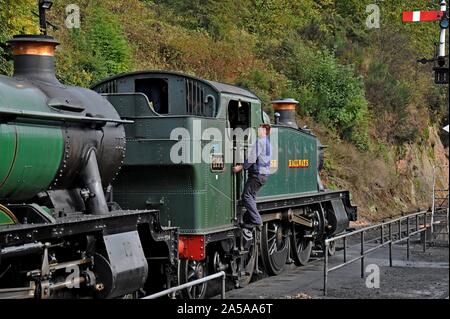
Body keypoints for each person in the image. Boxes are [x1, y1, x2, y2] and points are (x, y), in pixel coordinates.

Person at [232, 124, 272, 228]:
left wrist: (240, 167)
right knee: (252, 197)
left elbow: (252, 157)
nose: (258, 130)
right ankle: (250, 218)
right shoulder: (268, 143)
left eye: (260, 129)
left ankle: (256, 220)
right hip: (263, 175)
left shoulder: (260, 142)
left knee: (246, 196)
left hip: (257, 175)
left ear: (264, 131)